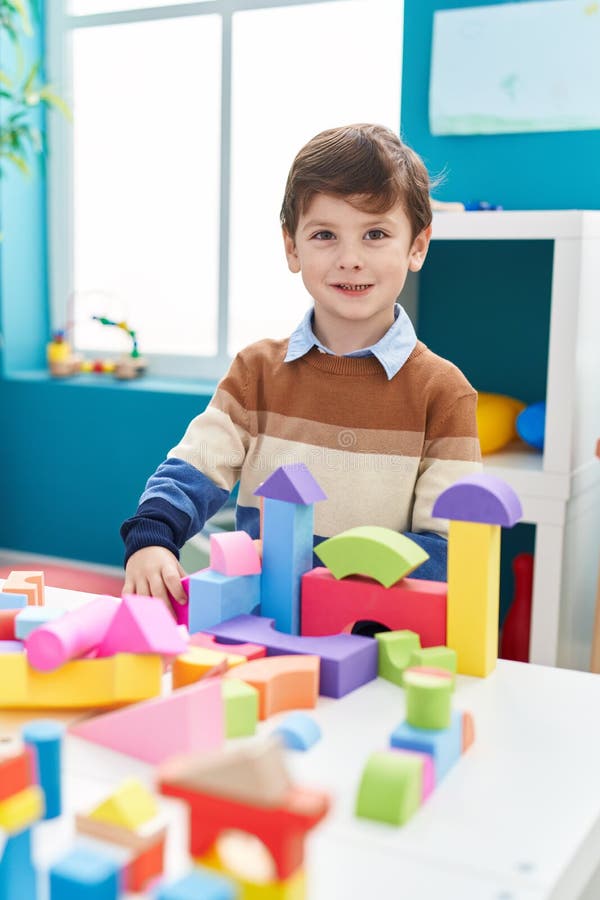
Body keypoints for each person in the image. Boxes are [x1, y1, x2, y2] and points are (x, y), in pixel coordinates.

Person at [121, 123, 481, 607]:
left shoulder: (443, 391)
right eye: (325, 235)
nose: (350, 258)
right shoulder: (255, 372)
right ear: (292, 247)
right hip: (261, 619)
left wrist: (321, 574)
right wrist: (151, 536)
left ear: (417, 246)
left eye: (375, 234)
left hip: (379, 633)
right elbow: (194, 468)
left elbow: (447, 552)